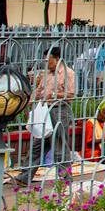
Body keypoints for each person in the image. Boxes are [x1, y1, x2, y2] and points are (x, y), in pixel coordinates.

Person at [21, 46, 77, 186]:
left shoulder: (68, 73)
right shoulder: (47, 74)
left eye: (48, 60)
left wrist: (52, 95)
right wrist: (30, 102)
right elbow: (39, 90)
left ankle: (65, 178)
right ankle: (24, 177)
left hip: (60, 111)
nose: (46, 63)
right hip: (45, 111)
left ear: (57, 59)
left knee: (59, 146)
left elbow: (70, 95)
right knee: (37, 145)